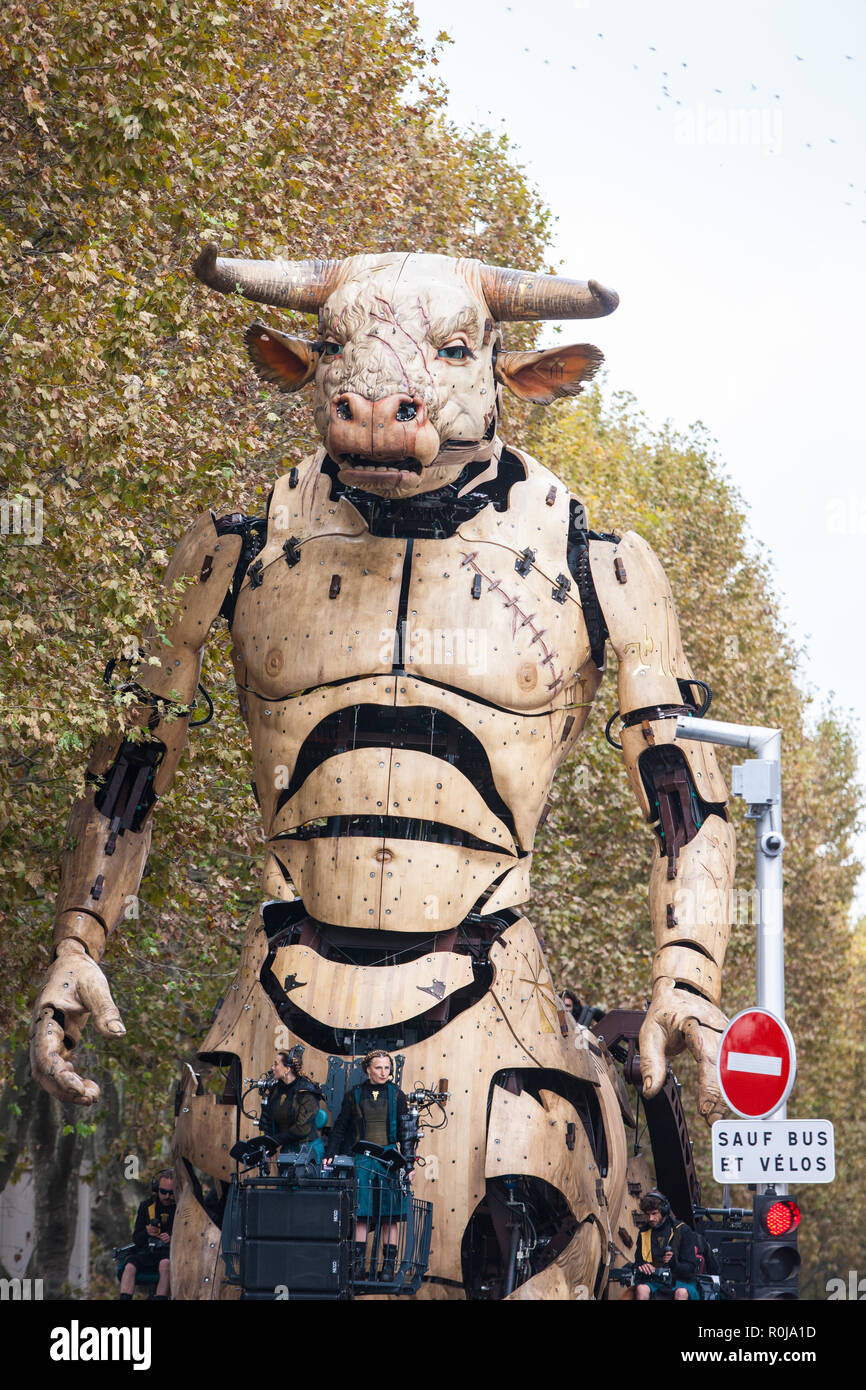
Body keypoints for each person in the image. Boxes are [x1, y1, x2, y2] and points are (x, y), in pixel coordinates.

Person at [327, 1050, 411, 1281]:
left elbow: (406, 1133)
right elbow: (341, 1127)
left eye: (387, 1068)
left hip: (390, 1159)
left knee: (390, 1216)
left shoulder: (397, 1095)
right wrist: (330, 1154)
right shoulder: (354, 1095)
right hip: (363, 1160)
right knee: (361, 1214)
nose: (384, 1072)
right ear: (367, 1069)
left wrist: (409, 1165)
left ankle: (387, 1269)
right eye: (379, 1068)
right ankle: (358, 1267)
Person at [634, 1190, 700, 1301]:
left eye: (654, 1213)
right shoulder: (644, 1232)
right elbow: (637, 1262)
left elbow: (690, 1269)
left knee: (681, 1293)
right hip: (654, 1282)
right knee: (641, 1289)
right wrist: (642, 1265)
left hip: (681, 1282)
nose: (650, 1218)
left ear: (664, 1211)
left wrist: (674, 1263)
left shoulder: (682, 1230)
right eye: (647, 1214)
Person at [119, 1170, 174, 1300]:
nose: (167, 1196)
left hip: (169, 1254)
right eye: (163, 1192)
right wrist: (147, 1232)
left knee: (165, 1264)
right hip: (148, 1253)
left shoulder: (182, 1208)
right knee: (130, 1266)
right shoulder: (146, 1207)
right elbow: (137, 1238)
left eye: (171, 1193)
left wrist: (172, 1238)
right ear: (156, 1189)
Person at [262, 1048, 324, 1163]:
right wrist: (269, 1147)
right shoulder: (275, 1090)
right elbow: (268, 1119)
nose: (272, 1068)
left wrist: (275, 1140)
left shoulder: (306, 1092)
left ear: (287, 1069)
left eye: (276, 1064)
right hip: (287, 1148)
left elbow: (302, 1129)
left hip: (308, 1149)